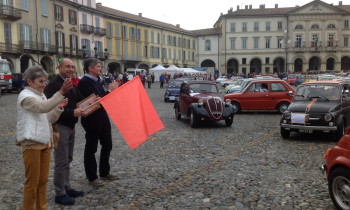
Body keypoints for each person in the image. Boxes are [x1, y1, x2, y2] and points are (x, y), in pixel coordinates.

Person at [16, 66, 72, 210]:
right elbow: (42, 108)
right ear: (29, 81)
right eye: (40, 81)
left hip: (45, 142)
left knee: (43, 180)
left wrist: (58, 108)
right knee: (32, 182)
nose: (44, 84)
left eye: (45, 81)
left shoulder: (41, 95)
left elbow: (49, 118)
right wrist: (60, 93)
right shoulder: (25, 96)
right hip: (32, 142)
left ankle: (42, 207)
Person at [44, 58, 85, 205]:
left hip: (71, 126)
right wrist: (72, 113)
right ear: (59, 67)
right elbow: (50, 108)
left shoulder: (71, 83)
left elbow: (79, 100)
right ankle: (59, 193)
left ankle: (67, 187)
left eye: (72, 67)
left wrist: (92, 102)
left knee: (68, 159)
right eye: (67, 66)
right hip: (59, 126)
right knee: (61, 161)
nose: (70, 69)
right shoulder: (54, 85)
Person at [77, 58, 119, 186]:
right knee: (91, 147)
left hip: (102, 117)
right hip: (92, 119)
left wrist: (110, 92)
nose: (101, 69)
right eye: (99, 66)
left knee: (107, 144)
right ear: (90, 68)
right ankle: (92, 177)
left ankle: (104, 172)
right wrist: (110, 91)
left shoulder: (97, 81)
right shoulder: (85, 82)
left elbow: (102, 99)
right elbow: (95, 102)